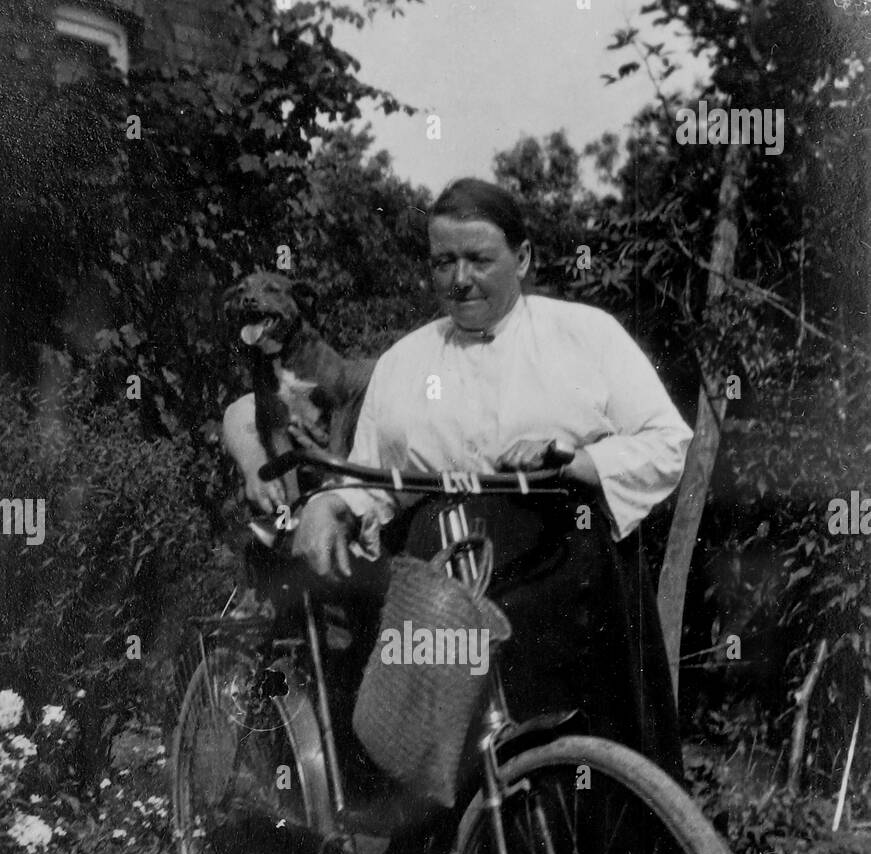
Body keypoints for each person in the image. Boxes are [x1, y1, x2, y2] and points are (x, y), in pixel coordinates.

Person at [291, 177, 691, 784]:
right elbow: (374, 477)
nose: (459, 279)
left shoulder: (585, 335)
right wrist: (329, 505)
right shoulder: (405, 363)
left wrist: (572, 462)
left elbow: (667, 442)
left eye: (479, 259)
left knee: (579, 753)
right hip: (445, 588)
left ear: (523, 258)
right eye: (443, 261)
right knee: (464, 766)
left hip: (568, 575)